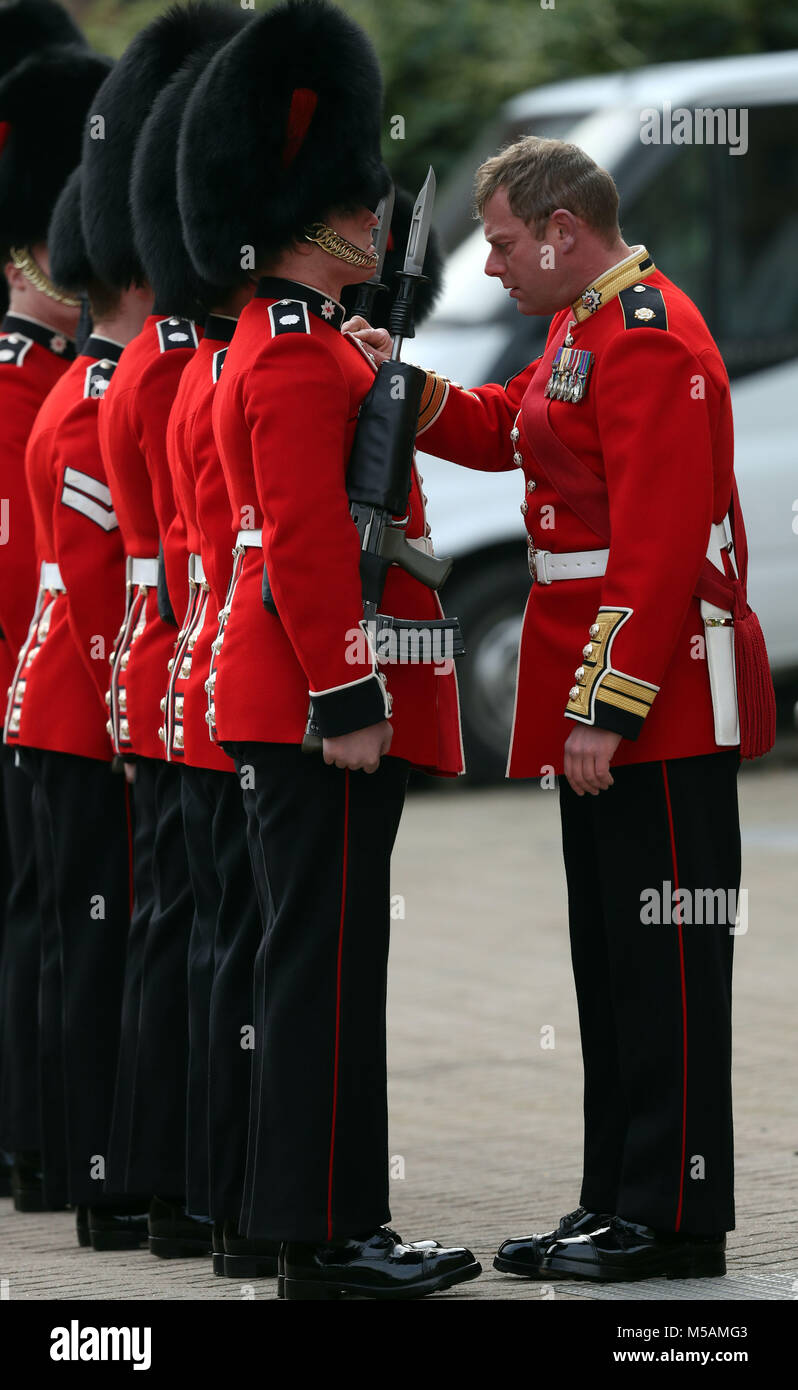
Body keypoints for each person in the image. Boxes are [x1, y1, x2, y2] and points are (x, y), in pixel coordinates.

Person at [352, 135, 775, 1283]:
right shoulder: (583, 325)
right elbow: (514, 429)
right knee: (615, 964)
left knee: (667, 969)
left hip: (658, 704)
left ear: (560, 230)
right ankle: (617, 1198)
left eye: (498, 243)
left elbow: (657, 544)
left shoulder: (649, 334)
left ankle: (676, 1220)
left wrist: (607, 708)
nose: (488, 265)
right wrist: (406, 387)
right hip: (610, 697)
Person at [179, 0, 479, 1300]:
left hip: (285, 690)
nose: (377, 216)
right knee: (328, 971)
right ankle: (333, 1238)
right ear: (317, 222)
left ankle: (277, 1220)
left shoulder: (296, 342)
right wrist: (349, 695)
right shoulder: (300, 358)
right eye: (361, 202)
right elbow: (306, 543)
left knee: (302, 960)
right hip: (315, 700)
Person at [80, 0, 247, 1258]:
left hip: (167, 660)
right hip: (204, 659)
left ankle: (152, 1180)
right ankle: (190, 1185)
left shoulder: (156, 360)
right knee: (204, 933)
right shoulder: (189, 366)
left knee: (178, 929)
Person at [5, 165, 154, 1250]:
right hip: (82, 702)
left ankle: (58, 1152)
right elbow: (100, 587)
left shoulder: (78, 384)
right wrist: (129, 713)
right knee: (91, 946)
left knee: (71, 939)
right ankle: (88, 1163)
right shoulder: (90, 398)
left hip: (60, 697)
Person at [0, 26, 110, 1213]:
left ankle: (35, 1138)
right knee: (54, 921)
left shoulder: (53, 375)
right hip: (42, 683)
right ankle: (47, 1140)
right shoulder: (26, 382)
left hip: (35, 682)